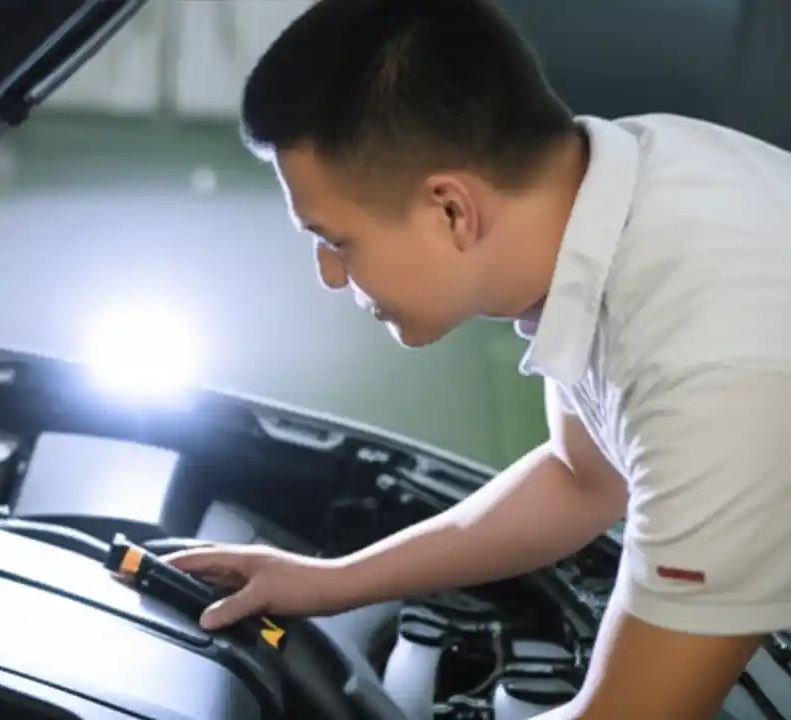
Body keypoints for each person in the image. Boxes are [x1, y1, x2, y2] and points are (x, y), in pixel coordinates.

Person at [163, 1, 791, 717]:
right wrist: (328, 581)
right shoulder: (625, 189)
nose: (330, 274)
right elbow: (582, 478)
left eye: (337, 240)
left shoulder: (707, 366)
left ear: (452, 210)